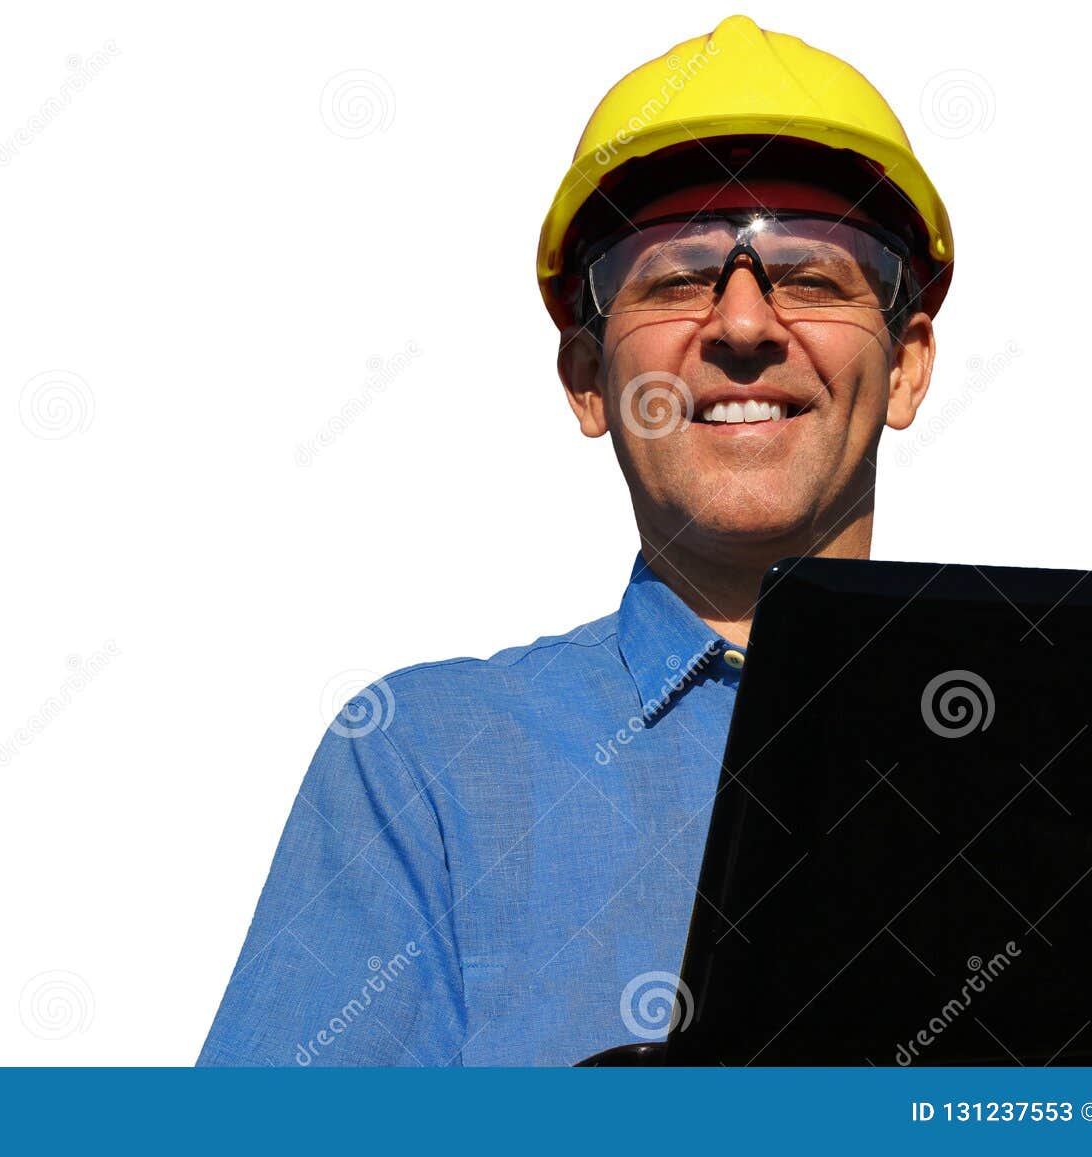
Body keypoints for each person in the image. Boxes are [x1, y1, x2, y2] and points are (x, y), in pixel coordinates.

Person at [198, 12, 953, 1066]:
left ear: (909, 364)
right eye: (679, 276)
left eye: (815, 276)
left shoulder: (1085, 740)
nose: (742, 325)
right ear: (588, 380)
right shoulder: (428, 767)